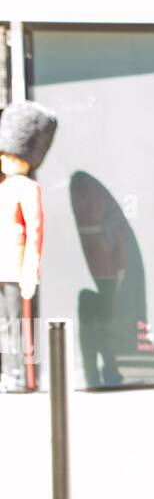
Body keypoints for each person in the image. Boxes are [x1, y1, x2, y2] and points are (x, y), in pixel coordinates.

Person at [0, 102, 57, 391]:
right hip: (2, 265)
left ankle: (23, 375)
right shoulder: (5, 187)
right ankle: (10, 372)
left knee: (18, 324)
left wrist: (30, 273)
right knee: (4, 326)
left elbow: (35, 232)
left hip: (15, 266)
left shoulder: (27, 188)